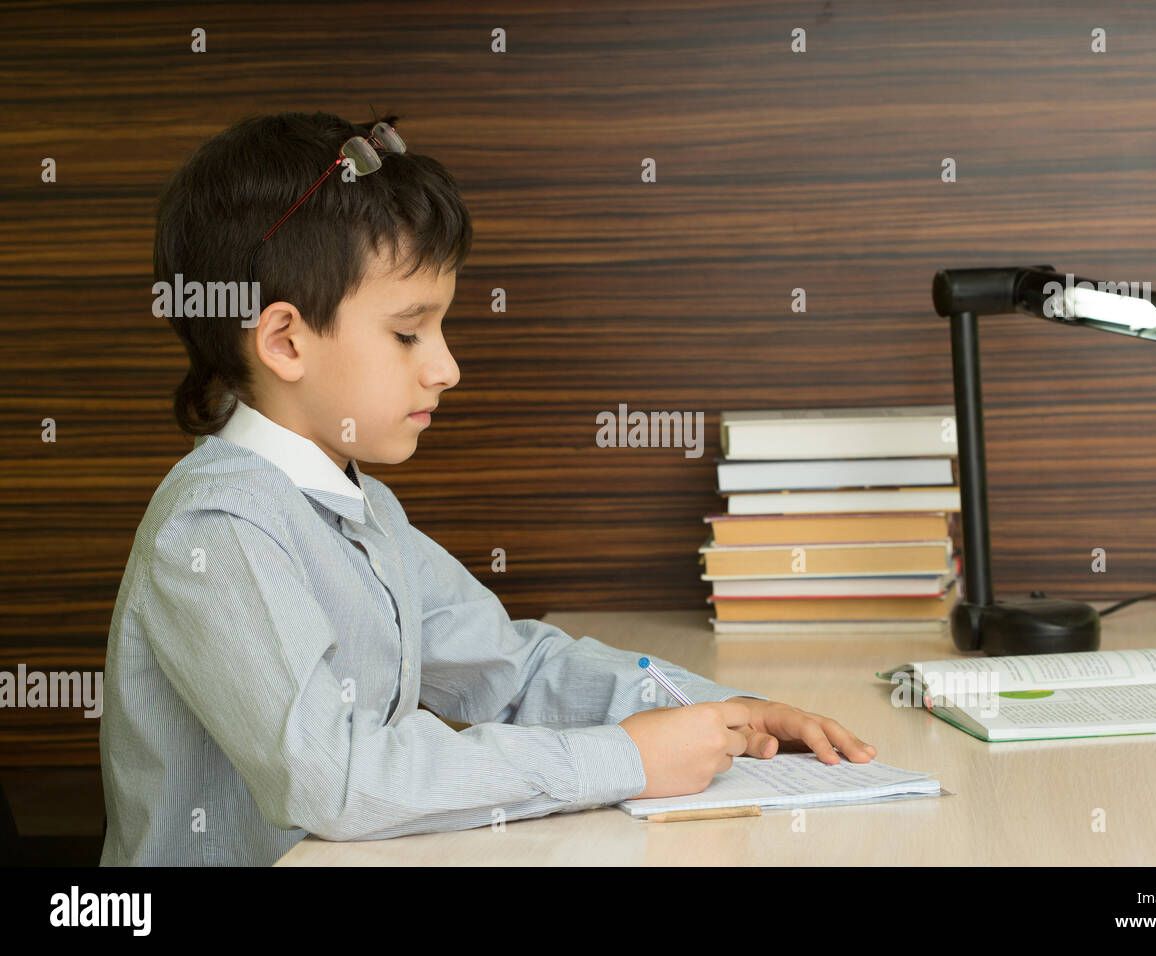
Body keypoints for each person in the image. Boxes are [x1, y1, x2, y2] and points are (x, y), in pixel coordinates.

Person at [99, 110, 876, 866]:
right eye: (409, 331)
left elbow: (513, 670)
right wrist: (620, 759)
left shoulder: (355, 501)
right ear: (285, 340)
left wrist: (719, 712)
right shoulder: (215, 527)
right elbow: (336, 779)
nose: (446, 367)